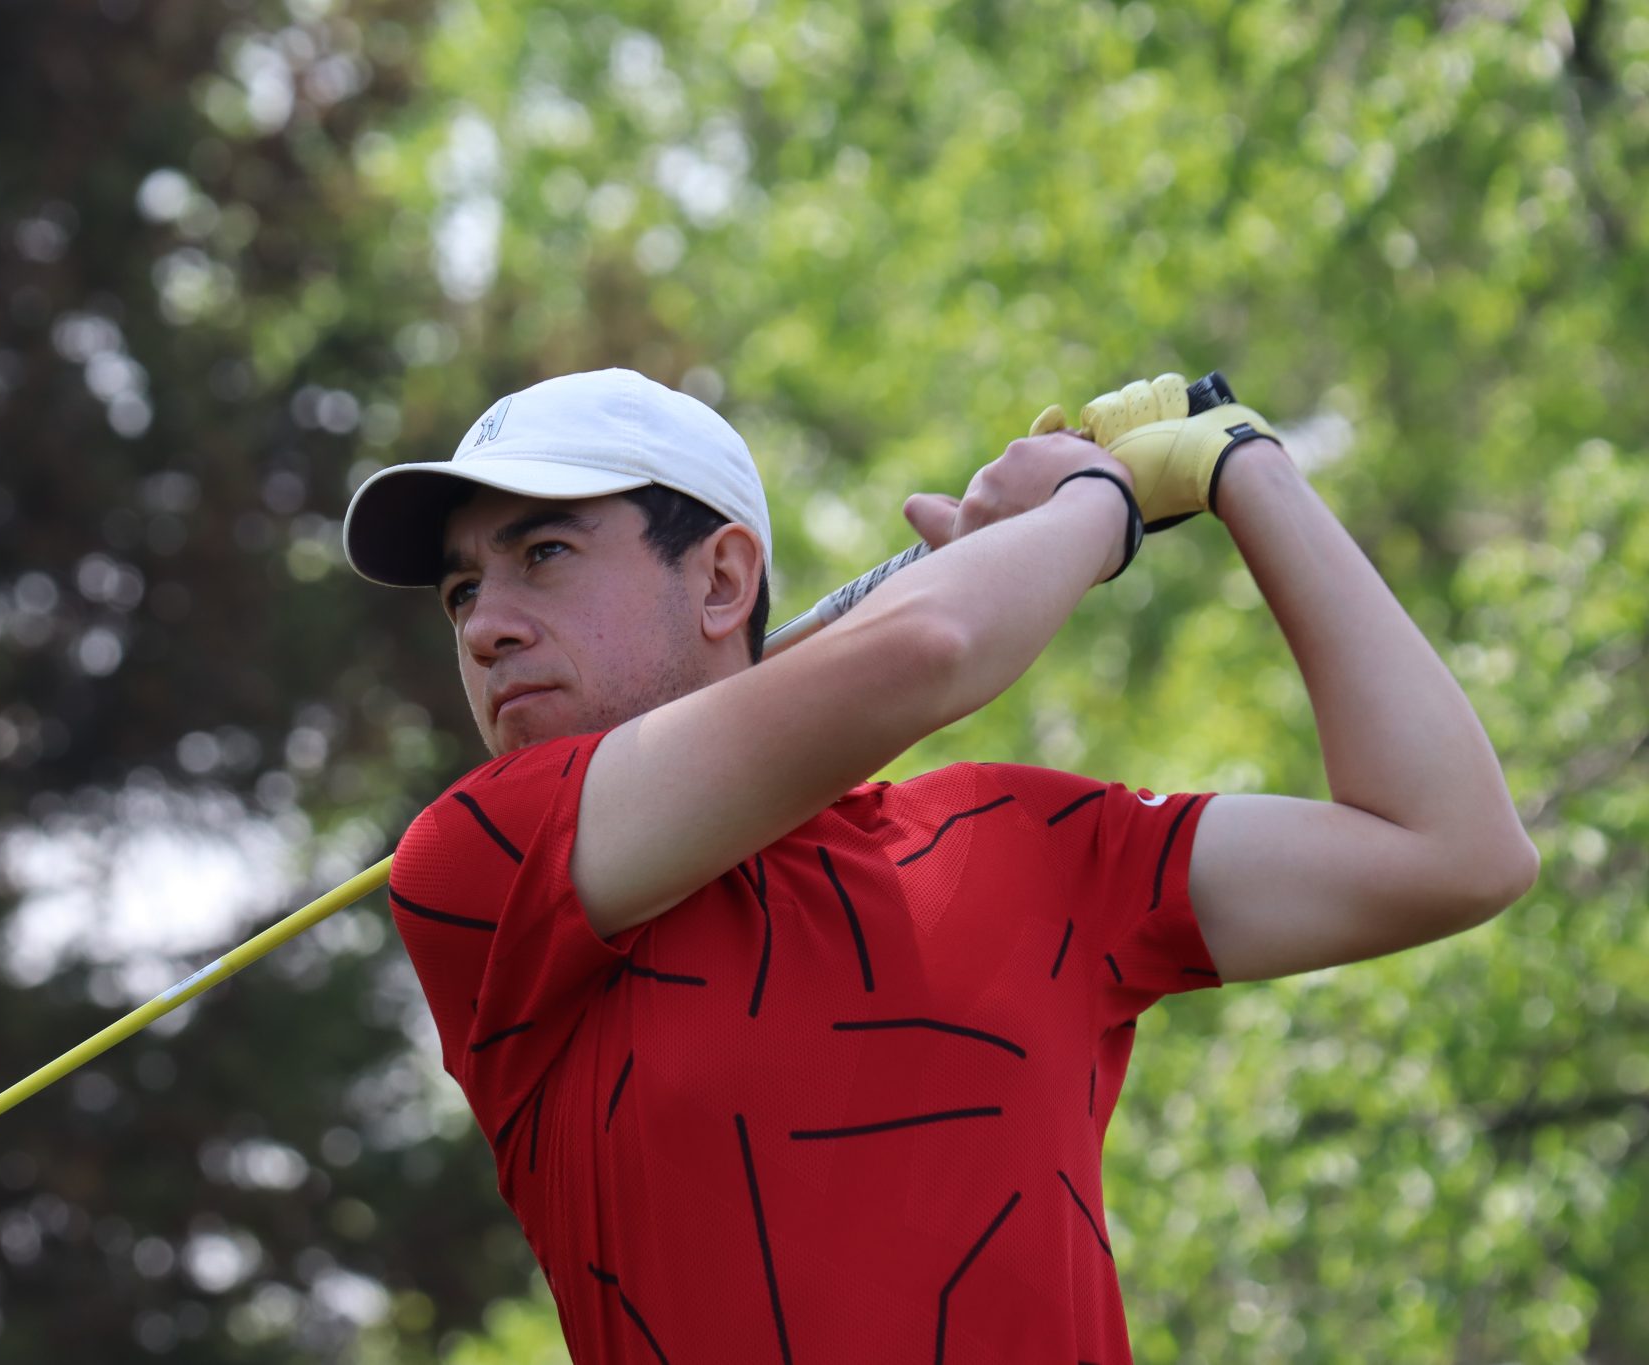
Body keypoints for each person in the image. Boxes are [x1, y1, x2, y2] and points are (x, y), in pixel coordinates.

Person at [340, 368, 1537, 1363]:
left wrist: (1241, 466)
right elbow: (931, 643)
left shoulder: (1018, 846)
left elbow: (1450, 851)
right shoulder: (477, 869)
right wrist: (1091, 505)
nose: (484, 623)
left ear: (719, 578)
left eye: (540, 553)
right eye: (460, 591)